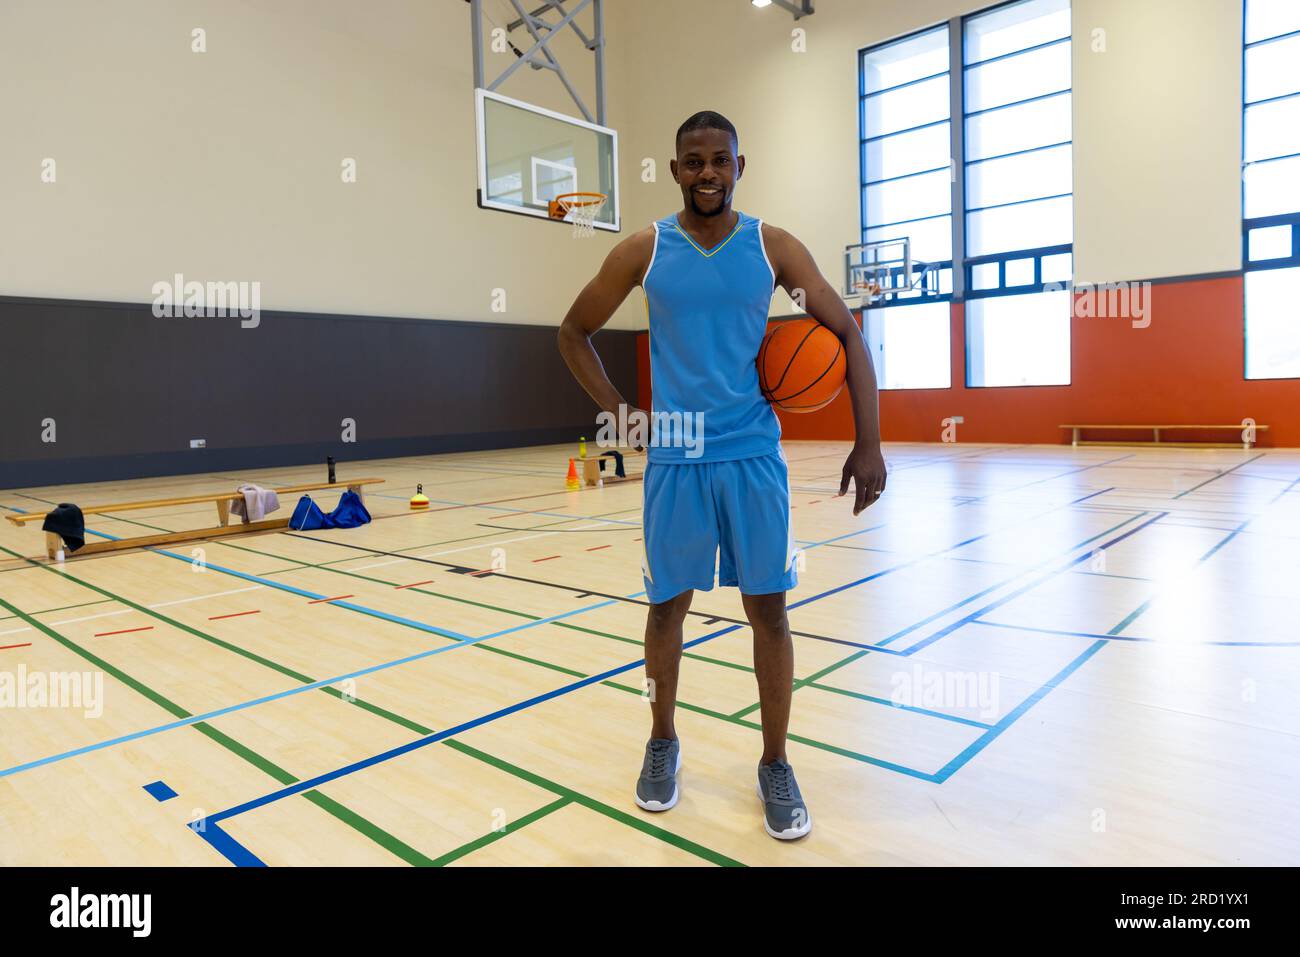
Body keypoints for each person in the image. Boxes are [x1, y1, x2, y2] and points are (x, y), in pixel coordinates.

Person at [556, 110, 887, 840]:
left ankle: (775, 762)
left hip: (751, 456)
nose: (707, 172)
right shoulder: (645, 250)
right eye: (693, 161)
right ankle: (661, 742)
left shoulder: (773, 249)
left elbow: (847, 333)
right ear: (674, 170)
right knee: (666, 607)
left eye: (720, 160)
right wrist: (618, 410)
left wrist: (869, 441)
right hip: (674, 456)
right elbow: (572, 331)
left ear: (742, 166)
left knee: (768, 611)